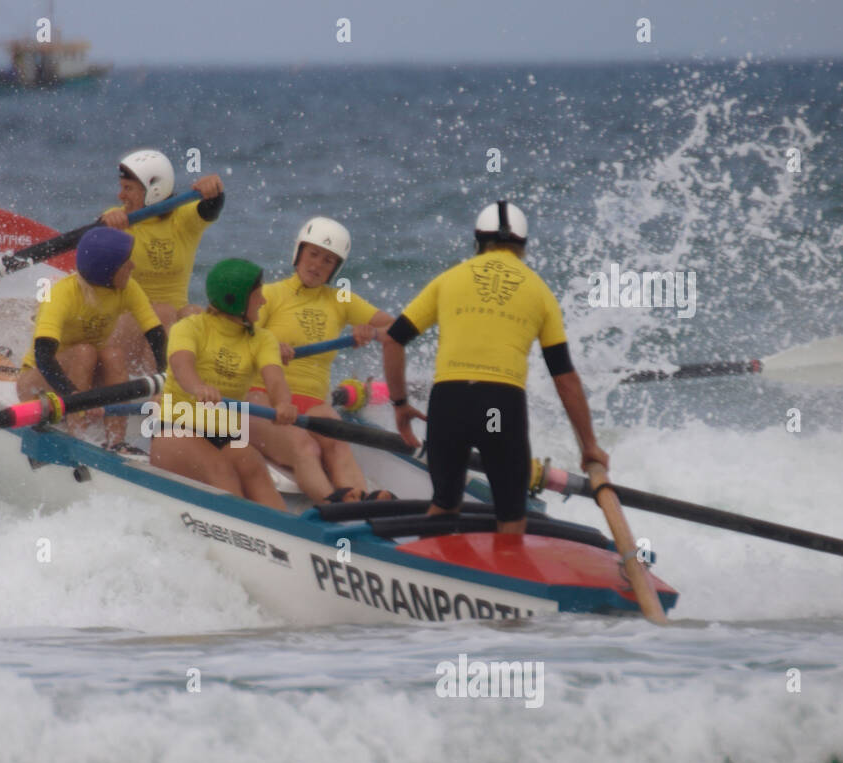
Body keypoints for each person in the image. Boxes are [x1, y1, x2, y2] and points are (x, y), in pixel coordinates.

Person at [381, 200, 609, 533]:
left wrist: (400, 404)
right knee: (511, 517)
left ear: (478, 242)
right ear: (523, 248)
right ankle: (504, 571)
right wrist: (589, 445)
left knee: (444, 505)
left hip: (449, 404)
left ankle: (428, 568)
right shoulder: (540, 292)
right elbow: (565, 379)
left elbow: (392, 340)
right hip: (498, 410)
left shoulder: (449, 279)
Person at [246, 217, 403, 504]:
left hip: (313, 403)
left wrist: (371, 331)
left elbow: (397, 328)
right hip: (263, 399)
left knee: (338, 446)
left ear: (336, 269)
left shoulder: (340, 298)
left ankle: (364, 506)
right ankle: (334, 506)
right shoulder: (270, 294)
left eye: (328, 260)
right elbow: (239, 340)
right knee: (305, 448)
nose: (317, 265)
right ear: (299, 253)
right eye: (313, 254)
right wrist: (267, 347)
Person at [149, 259, 297, 510]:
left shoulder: (263, 339)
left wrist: (283, 403)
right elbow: (182, 366)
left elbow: (275, 379)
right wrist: (197, 387)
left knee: (255, 468)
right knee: (221, 471)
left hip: (224, 433)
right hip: (175, 429)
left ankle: (290, 536)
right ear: (235, 299)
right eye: (257, 294)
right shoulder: (189, 327)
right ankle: (243, 536)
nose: (263, 300)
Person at [15, 226, 167, 450]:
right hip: (40, 384)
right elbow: (43, 355)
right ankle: (77, 436)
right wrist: (74, 394)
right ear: (107, 270)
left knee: (113, 354)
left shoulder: (128, 288)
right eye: (127, 263)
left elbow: (155, 335)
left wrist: (164, 382)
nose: (133, 266)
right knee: (84, 351)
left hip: (83, 382)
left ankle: (116, 441)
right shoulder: (61, 295)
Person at [100, 149, 225, 369]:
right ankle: (157, 390)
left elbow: (211, 208)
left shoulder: (184, 217)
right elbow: (92, 259)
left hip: (169, 330)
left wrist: (214, 189)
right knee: (163, 312)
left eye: (128, 189)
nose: (121, 196)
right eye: (122, 188)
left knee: (195, 314)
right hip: (123, 330)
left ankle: (178, 387)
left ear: (154, 191)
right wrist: (104, 228)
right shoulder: (116, 220)